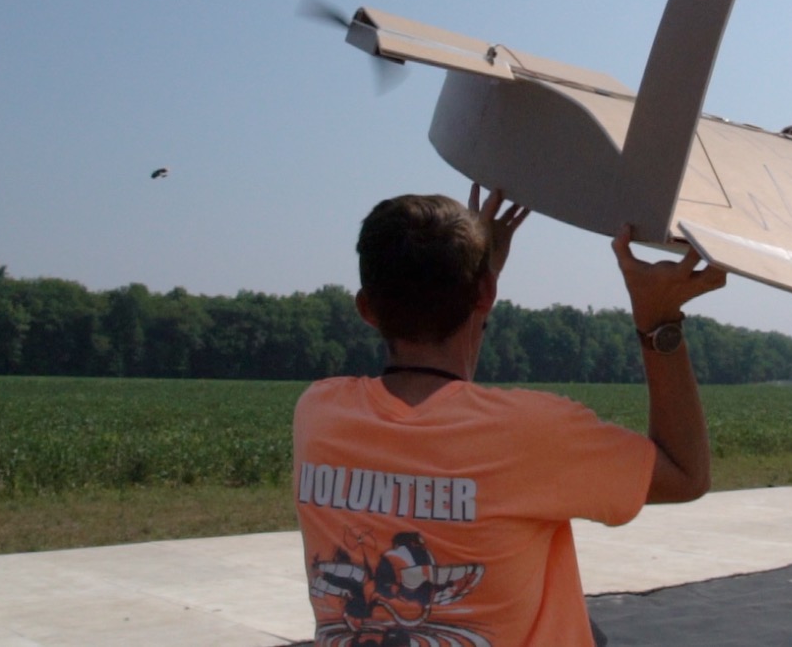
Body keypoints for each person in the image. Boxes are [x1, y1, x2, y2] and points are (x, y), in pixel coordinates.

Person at [294, 184, 727, 647]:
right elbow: (684, 474)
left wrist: (482, 273)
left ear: (366, 309)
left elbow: (443, 399)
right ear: (486, 294)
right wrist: (658, 321)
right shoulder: (533, 432)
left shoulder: (319, 415)